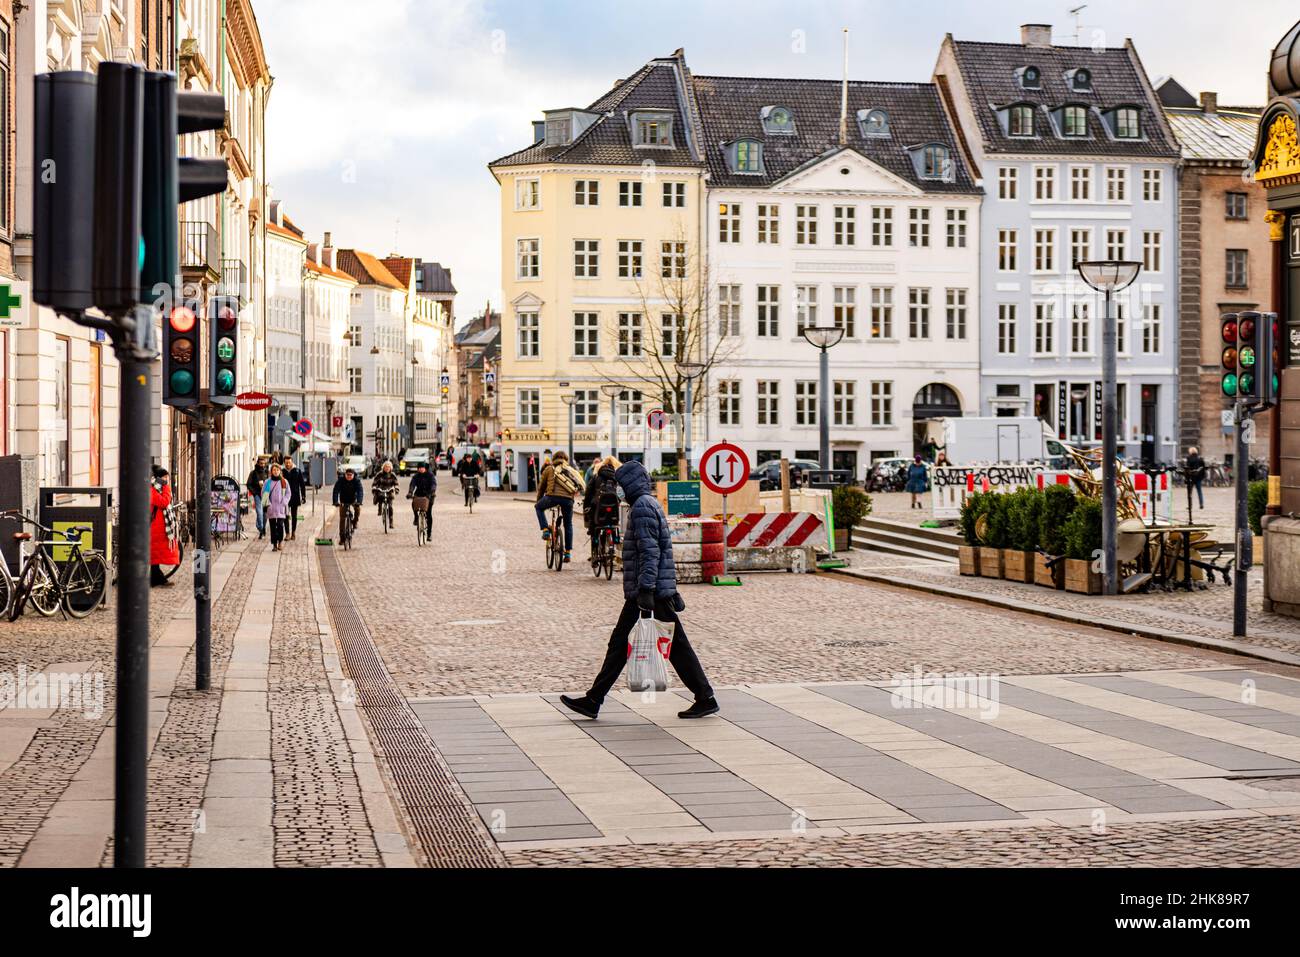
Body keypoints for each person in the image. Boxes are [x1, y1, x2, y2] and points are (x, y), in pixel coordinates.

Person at [560, 460, 719, 721]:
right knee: (636, 643)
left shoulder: (642, 507)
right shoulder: (646, 504)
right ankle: (594, 699)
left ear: (630, 484)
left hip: (649, 591)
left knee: (644, 644)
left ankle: (705, 696)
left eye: (620, 485)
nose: (618, 490)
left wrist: (646, 589)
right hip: (652, 589)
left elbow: (650, 552)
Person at [534, 450, 583, 562]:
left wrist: (539, 501)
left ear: (554, 458)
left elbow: (541, 487)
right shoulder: (569, 470)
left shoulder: (549, 469)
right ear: (566, 459)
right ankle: (567, 553)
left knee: (538, 507)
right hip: (568, 500)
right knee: (568, 524)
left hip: (552, 497)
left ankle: (546, 530)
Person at [582, 456, 622, 561]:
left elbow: (588, 493)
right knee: (613, 524)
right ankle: (614, 541)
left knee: (594, 526)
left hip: (598, 507)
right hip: (613, 508)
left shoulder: (596, 477)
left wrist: (586, 506)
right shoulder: (617, 477)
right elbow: (621, 493)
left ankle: (595, 553)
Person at [149, 465, 179, 586]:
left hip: (159, 525)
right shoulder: (152, 489)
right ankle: (157, 579)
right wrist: (167, 488)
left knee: (155, 554)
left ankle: (156, 578)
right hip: (155, 526)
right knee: (154, 554)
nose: (167, 479)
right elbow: (164, 502)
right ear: (158, 478)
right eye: (165, 477)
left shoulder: (157, 488)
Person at [262, 462, 291, 551]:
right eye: (274, 470)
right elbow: (264, 494)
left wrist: (284, 502)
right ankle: (274, 544)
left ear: (280, 471)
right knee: (272, 527)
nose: (276, 471)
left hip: (281, 508)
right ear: (271, 471)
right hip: (271, 508)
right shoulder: (267, 482)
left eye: (277, 470)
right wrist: (268, 504)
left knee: (280, 525)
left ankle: (280, 542)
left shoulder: (284, 481)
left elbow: (288, 493)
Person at [332, 465, 364, 542]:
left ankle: (355, 521)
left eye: (350, 475)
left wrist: (359, 502)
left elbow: (360, 492)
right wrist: (335, 502)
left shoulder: (357, 481)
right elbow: (336, 491)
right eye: (347, 475)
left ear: (353, 475)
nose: (349, 476)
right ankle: (342, 537)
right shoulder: (341, 481)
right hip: (343, 500)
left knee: (357, 509)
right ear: (345, 475)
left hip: (353, 500)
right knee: (342, 518)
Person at [407, 461, 436, 536]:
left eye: (422, 468)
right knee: (414, 503)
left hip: (429, 494)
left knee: (428, 514)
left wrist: (432, 492)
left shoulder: (430, 475)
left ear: (425, 468)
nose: (421, 469)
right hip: (419, 493)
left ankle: (429, 533)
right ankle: (416, 517)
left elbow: (433, 484)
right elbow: (412, 485)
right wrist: (410, 492)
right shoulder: (416, 476)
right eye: (419, 468)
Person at [246, 458, 268, 538]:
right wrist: (254, 493)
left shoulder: (267, 472)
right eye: (261, 463)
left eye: (264, 463)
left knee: (265, 514)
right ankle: (261, 528)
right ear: (258, 463)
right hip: (257, 494)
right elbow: (248, 484)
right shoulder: (253, 473)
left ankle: (263, 529)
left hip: (265, 495)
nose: (262, 465)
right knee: (259, 512)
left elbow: (270, 483)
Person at [284, 457, 305, 541]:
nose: (288, 464)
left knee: (294, 516)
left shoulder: (297, 471)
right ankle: (287, 533)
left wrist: (303, 496)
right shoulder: (282, 472)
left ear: (292, 462)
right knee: (285, 515)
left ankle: (293, 532)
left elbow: (302, 484)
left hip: (295, 496)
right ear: (284, 463)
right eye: (286, 463)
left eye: (289, 462)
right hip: (285, 496)